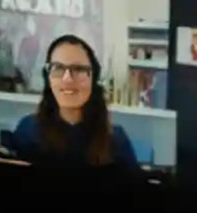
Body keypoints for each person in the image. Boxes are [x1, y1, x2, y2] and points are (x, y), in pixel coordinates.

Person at [9, 35, 138, 168]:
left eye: (79, 69)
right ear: (48, 79)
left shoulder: (115, 139)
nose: (68, 79)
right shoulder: (28, 130)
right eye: (58, 68)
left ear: (93, 78)